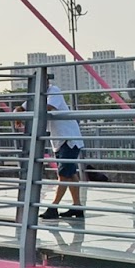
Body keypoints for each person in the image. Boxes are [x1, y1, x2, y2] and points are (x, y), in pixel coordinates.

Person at [39, 81, 85, 220]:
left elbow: (49, 107)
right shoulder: (39, 96)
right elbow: (23, 107)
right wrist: (19, 111)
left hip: (68, 139)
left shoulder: (54, 91)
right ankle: (77, 207)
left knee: (64, 174)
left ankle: (53, 207)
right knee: (70, 173)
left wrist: (29, 108)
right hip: (60, 141)